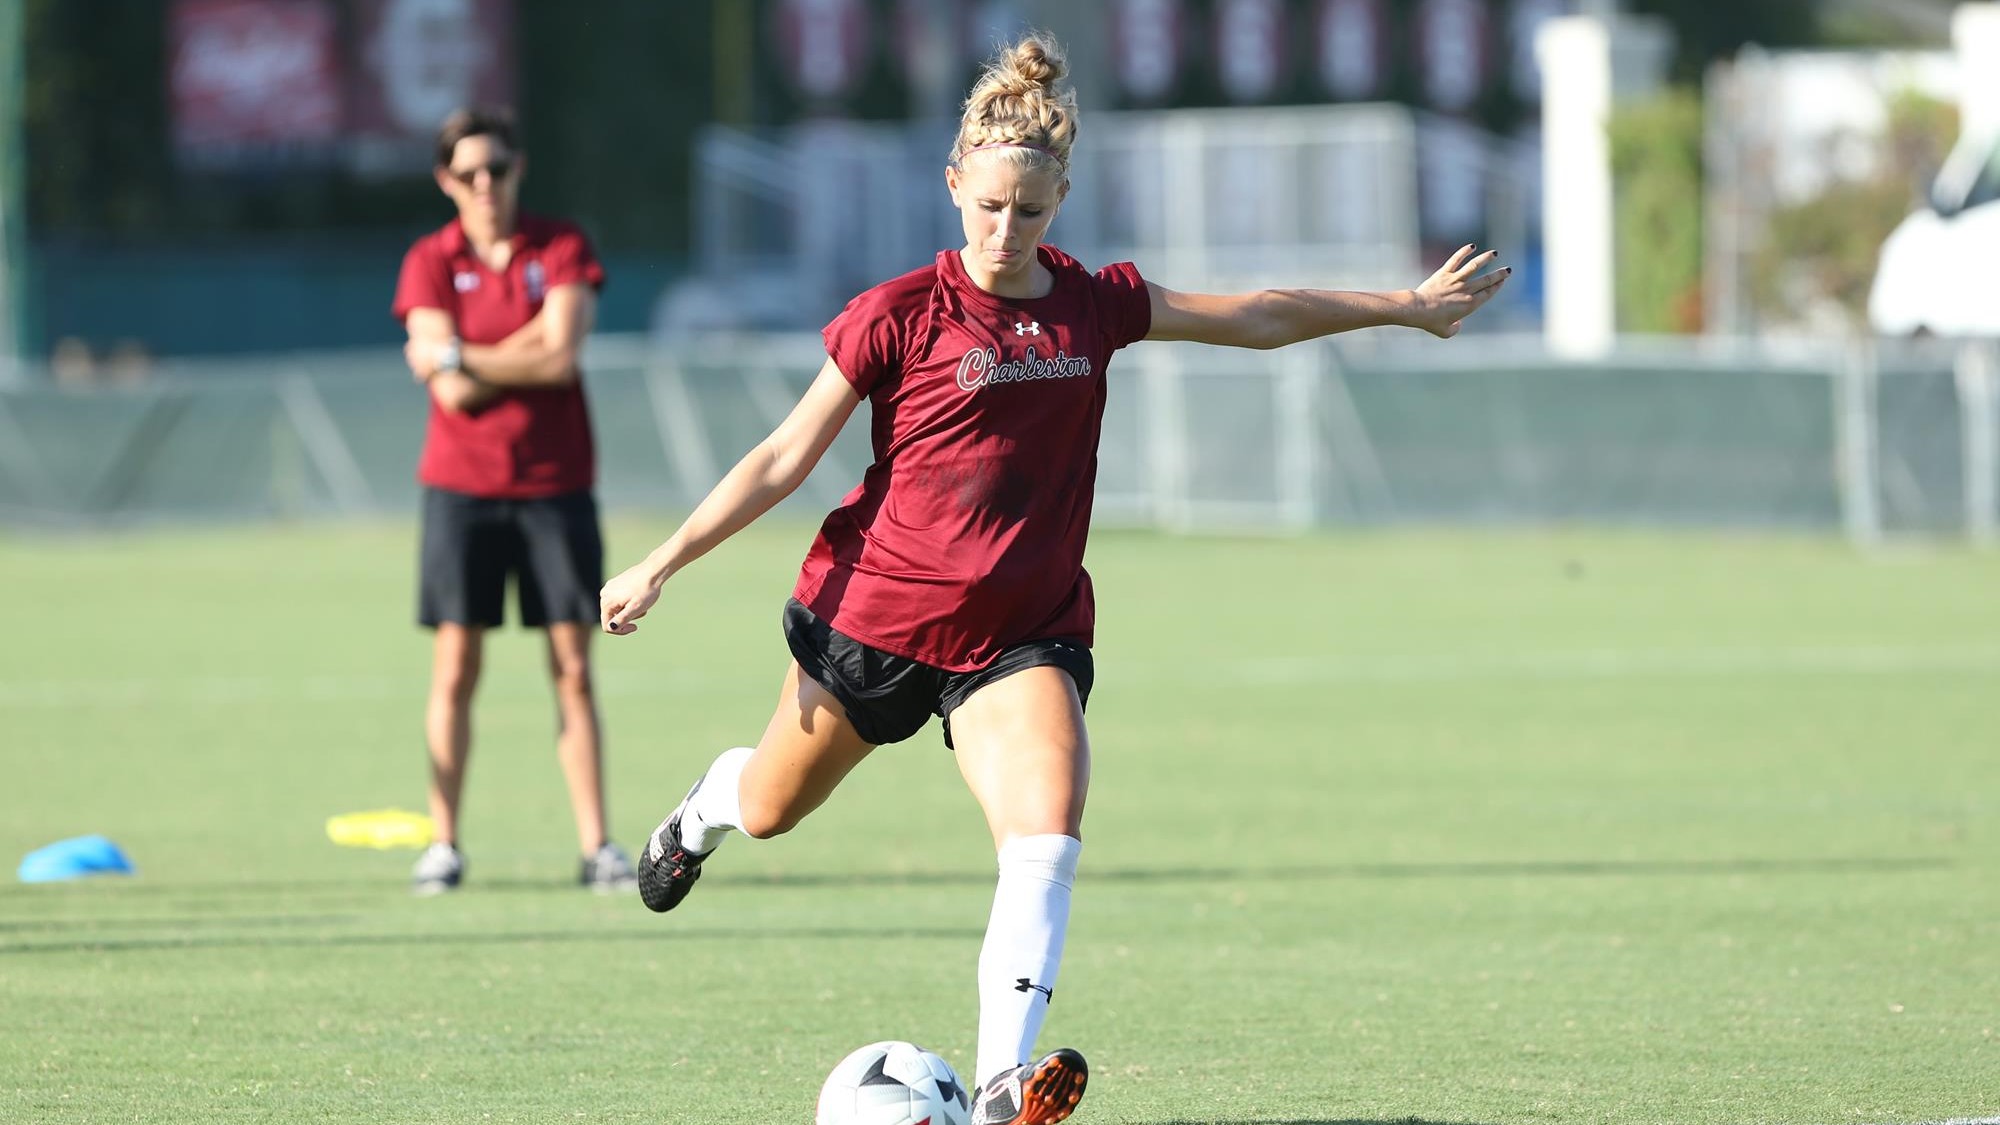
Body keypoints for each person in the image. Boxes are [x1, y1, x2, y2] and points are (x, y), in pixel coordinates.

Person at [599, 34, 1508, 1125]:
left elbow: (1255, 313)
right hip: (876, 621)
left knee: (1046, 823)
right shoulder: (897, 315)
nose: (1003, 230)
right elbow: (782, 459)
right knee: (771, 806)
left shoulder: (1091, 305)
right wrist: (661, 563)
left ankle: (998, 1085)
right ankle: (701, 812)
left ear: (1060, 198)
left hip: (1019, 634)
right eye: (986, 206)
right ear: (952, 185)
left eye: (1028, 212)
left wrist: (1402, 307)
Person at [393, 106, 636, 896]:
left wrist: (461, 349)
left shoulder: (560, 245)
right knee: (456, 664)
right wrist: (510, 352)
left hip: (554, 487)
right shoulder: (430, 261)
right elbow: (457, 398)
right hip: (460, 490)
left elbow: (560, 356)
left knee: (572, 667)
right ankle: (445, 843)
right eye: (468, 173)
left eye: (497, 168)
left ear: (517, 168)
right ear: (446, 181)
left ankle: (597, 845)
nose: (485, 185)